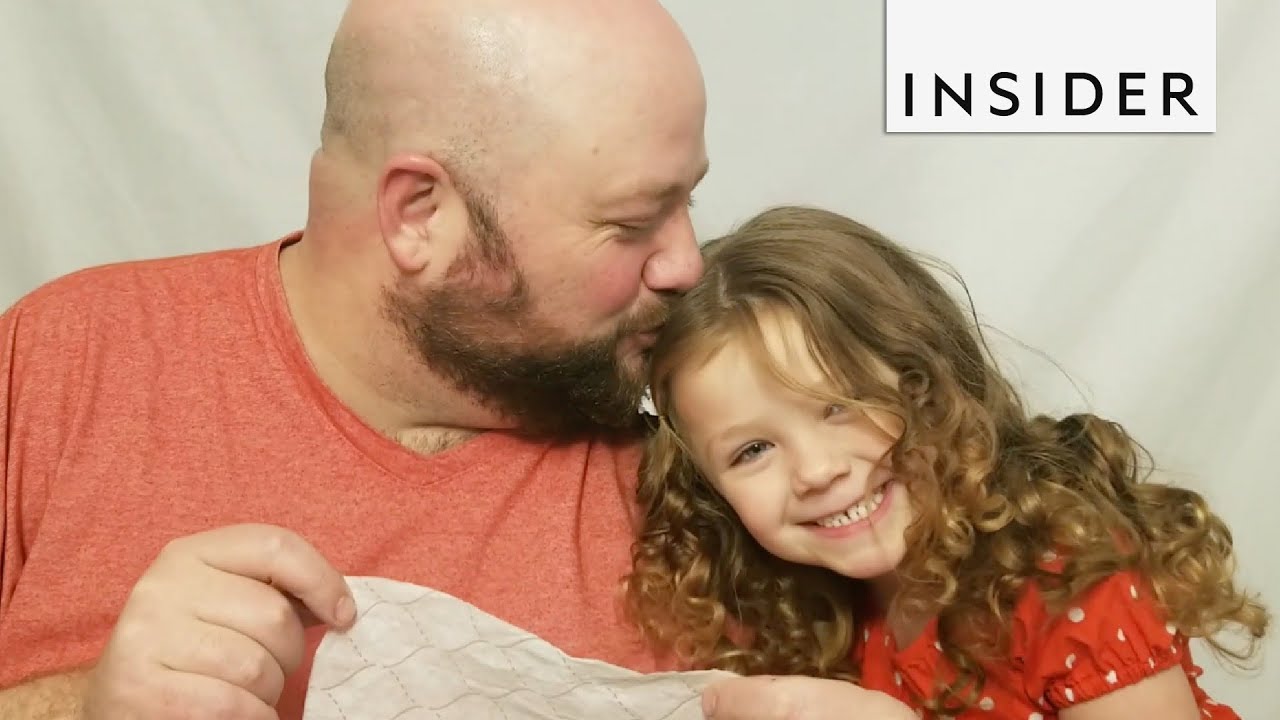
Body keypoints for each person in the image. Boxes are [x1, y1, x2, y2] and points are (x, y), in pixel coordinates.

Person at [0, 0, 712, 717]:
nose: (688, 264)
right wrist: (83, 705)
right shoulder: (59, 363)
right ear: (419, 214)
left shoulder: (724, 450)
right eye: (631, 222)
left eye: (690, 200)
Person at [624, 205, 1270, 720]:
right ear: (712, 493)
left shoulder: (1067, 580)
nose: (817, 471)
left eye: (839, 406)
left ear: (928, 385)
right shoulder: (814, 618)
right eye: (753, 450)